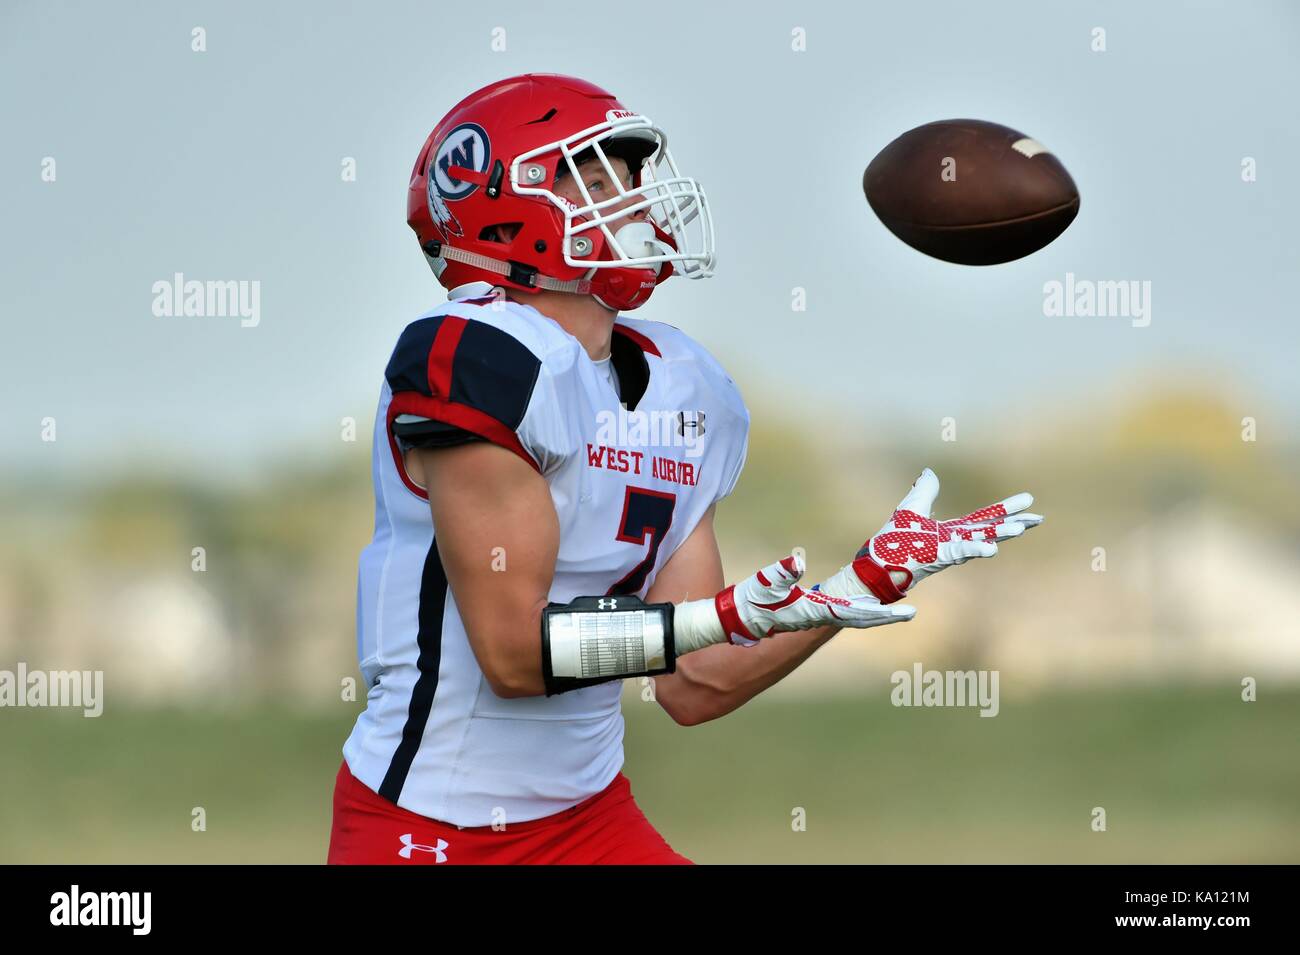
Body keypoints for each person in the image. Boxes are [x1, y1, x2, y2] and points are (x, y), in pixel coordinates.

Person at [327, 73, 1043, 865]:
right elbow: (513, 655)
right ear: (508, 207)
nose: (633, 198)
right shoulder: (478, 358)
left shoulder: (683, 386)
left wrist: (854, 588)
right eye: (595, 177)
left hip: (588, 821)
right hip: (431, 829)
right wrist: (721, 616)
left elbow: (697, 680)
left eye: (631, 175)